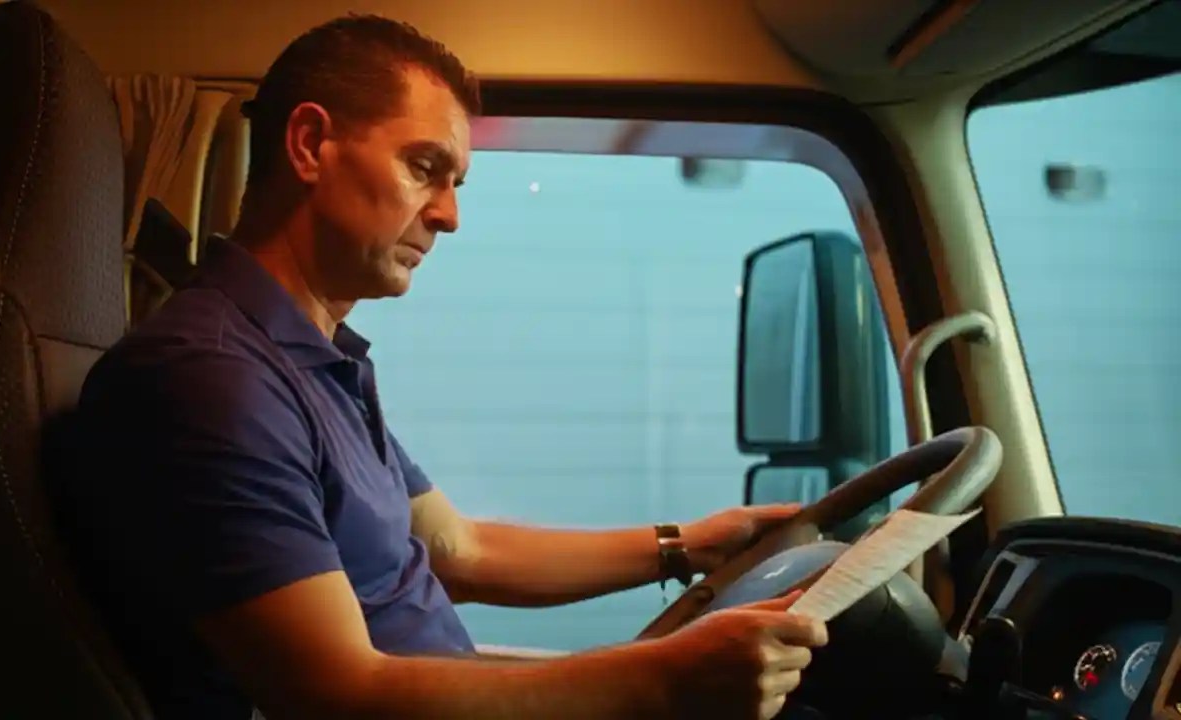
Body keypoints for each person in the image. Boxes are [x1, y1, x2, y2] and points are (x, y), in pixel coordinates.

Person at [60, 13, 829, 720]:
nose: (449, 215)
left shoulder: (314, 361)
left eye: (455, 183)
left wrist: (692, 543)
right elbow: (338, 693)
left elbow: (458, 549)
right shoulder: (210, 380)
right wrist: (663, 679)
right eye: (424, 167)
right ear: (308, 145)